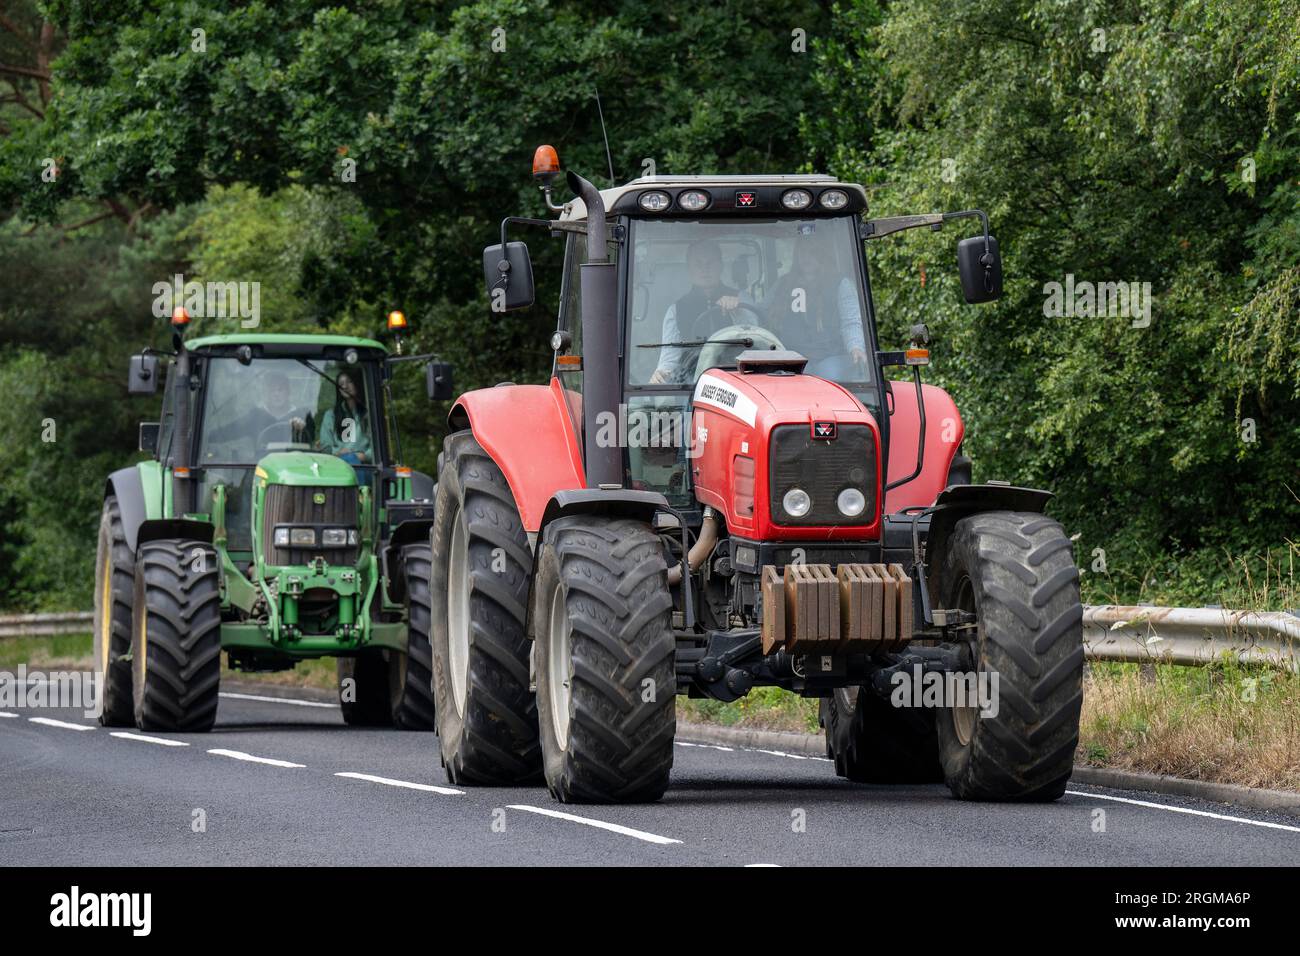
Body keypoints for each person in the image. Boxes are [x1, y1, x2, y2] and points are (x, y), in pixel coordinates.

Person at [648, 239, 753, 385]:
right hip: (693, 385)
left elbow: (758, 340)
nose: (705, 268)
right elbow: (669, 360)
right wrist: (660, 376)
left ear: (721, 266)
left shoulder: (742, 299)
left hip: (740, 380)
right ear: (689, 269)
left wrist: (738, 311)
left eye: (711, 262)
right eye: (698, 263)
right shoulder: (676, 311)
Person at [766, 238, 868, 380]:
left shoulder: (840, 284)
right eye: (802, 251)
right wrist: (739, 301)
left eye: (812, 252)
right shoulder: (783, 284)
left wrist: (855, 348)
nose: (806, 257)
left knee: (828, 374)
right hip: (792, 357)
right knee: (789, 377)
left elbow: (851, 322)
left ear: (823, 255)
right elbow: (762, 312)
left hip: (830, 356)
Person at [317, 370, 373, 465]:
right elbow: (326, 447)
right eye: (341, 384)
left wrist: (362, 456)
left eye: (349, 381)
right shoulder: (331, 416)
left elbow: (377, 446)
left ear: (357, 382)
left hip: (364, 466)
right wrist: (338, 453)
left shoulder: (369, 413)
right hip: (337, 465)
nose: (345, 386)